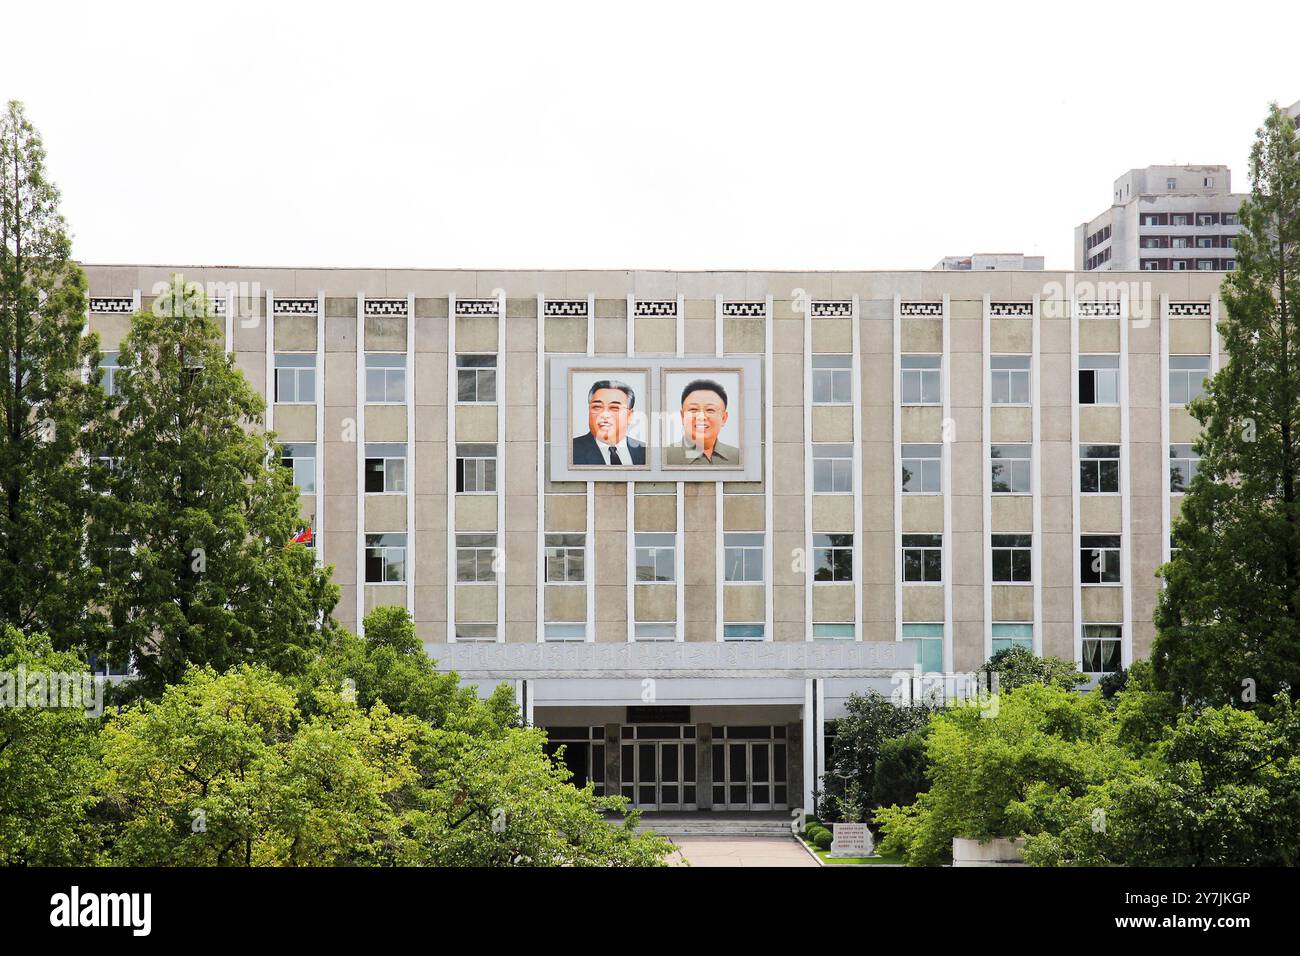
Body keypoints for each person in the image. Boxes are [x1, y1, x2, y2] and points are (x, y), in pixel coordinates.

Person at [665, 378, 740, 466]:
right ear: (682, 416)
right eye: (693, 409)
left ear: (723, 418)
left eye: (710, 410)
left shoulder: (738, 457)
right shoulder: (664, 457)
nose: (701, 417)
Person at [572, 379, 646, 465]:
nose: (604, 414)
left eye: (614, 408)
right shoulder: (570, 450)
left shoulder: (646, 451)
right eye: (597, 407)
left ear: (630, 416)